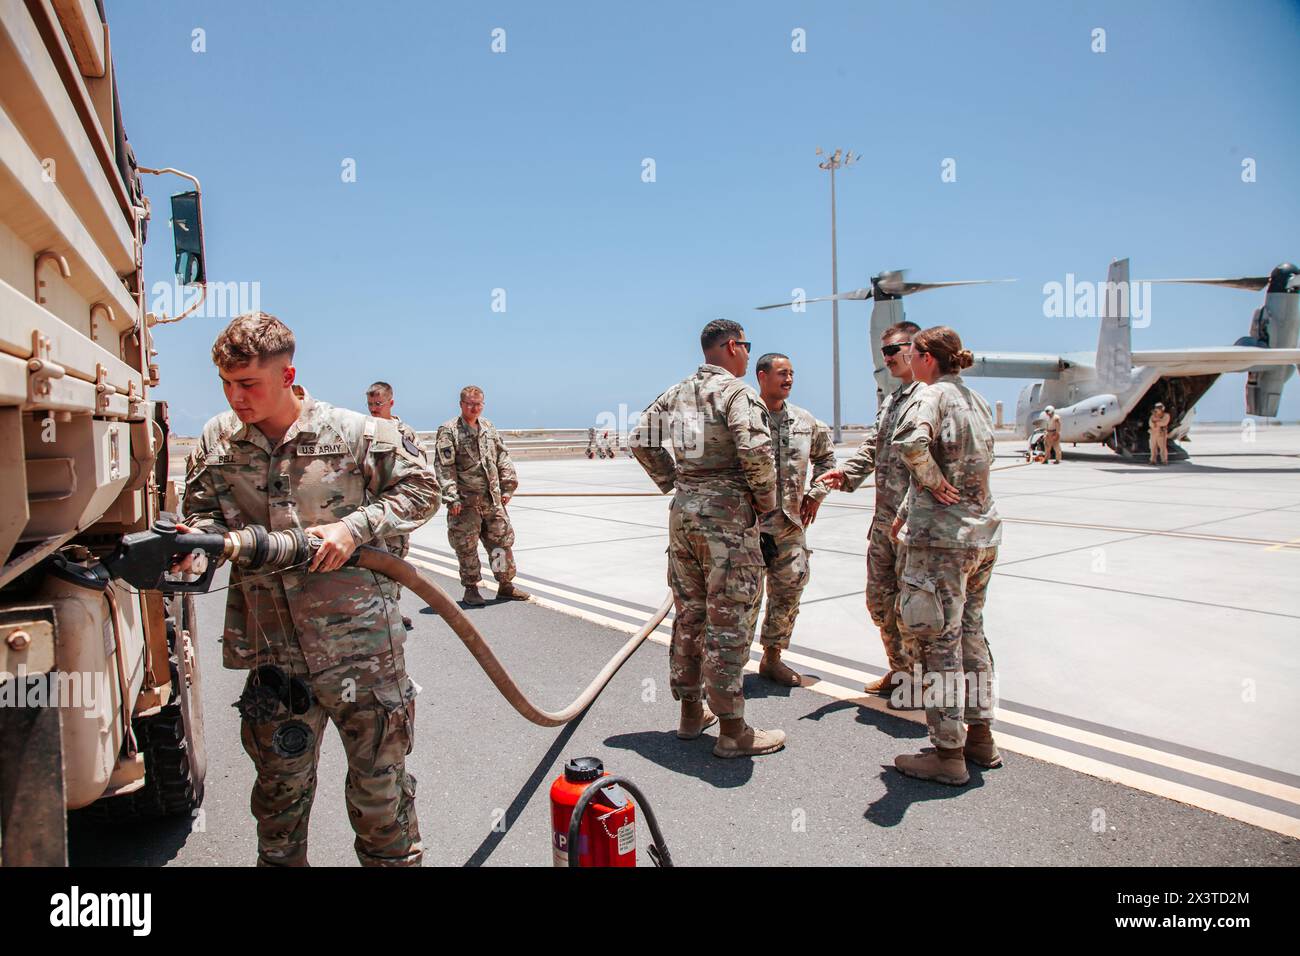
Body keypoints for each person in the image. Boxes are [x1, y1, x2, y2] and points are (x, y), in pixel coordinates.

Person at [181, 312, 438, 865]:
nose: (235, 396)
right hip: (273, 654)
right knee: (278, 804)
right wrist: (192, 545)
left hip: (363, 654)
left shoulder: (356, 434)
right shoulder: (217, 442)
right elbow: (201, 516)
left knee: (381, 800)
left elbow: (423, 491)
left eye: (248, 383)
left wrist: (354, 528)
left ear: (287, 374)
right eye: (226, 383)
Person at [631, 319, 786, 758]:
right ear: (733, 346)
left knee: (690, 616)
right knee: (729, 619)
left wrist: (676, 481)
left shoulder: (676, 393)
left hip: (684, 516)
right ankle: (733, 730)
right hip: (728, 520)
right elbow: (756, 453)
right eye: (746, 347)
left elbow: (641, 440)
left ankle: (690, 713)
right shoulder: (737, 394)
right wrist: (766, 508)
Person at [889, 326, 1003, 786]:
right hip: (982, 536)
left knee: (939, 644)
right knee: (972, 635)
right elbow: (966, 464)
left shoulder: (928, 396)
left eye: (912, 352)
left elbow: (910, 444)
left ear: (927, 358)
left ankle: (948, 754)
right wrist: (909, 505)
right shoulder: (973, 400)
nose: (907, 359)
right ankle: (980, 737)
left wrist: (933, 485)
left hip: (941, 543)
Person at [816, 321, 922, 701]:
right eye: (884, 353)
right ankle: (900, 670)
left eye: (893, 351)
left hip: (914, 525)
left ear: (916, 348)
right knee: (879, 601)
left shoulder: (930, 398)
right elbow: (872, 450)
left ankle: (921, 681)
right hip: (883, 524)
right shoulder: (893, 400)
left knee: (914, 607)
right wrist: (844, 474)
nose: (886, 359)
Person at [750, 353, 835, 685]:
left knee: (788, 593)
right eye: (782, 373)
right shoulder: (745, 419)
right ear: (762, 376)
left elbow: (827, 459)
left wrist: (816, 493)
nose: (789, 379)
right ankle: (730, 667)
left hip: (790, 526)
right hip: (750, 527)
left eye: (792, 374)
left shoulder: (805, 421)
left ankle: (772, 658)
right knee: (745, 598)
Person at [433, 386, 531, 606]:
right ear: (461, 404)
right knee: (466, 546)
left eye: (478, 404)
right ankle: (471, 588)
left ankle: (505, 585)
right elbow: (444, 466)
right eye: (470, 404)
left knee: (500, 544)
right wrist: (451, 497)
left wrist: (508, 487)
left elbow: (502, 457)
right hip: (465, 503)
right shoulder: (449, 431)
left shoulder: (488, 427)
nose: (474, 408)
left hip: (492, 500)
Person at [366, 381, 427, 628]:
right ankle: (379, 613)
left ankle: (392, 610)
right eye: (370, 404)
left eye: (378, 403)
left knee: (397, 560)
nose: (373, 409)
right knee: (374, 564)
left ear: (391, 402)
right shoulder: (364, 430)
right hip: (371, 508)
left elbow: (419, 465)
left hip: (397, 509)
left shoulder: (404, 433)